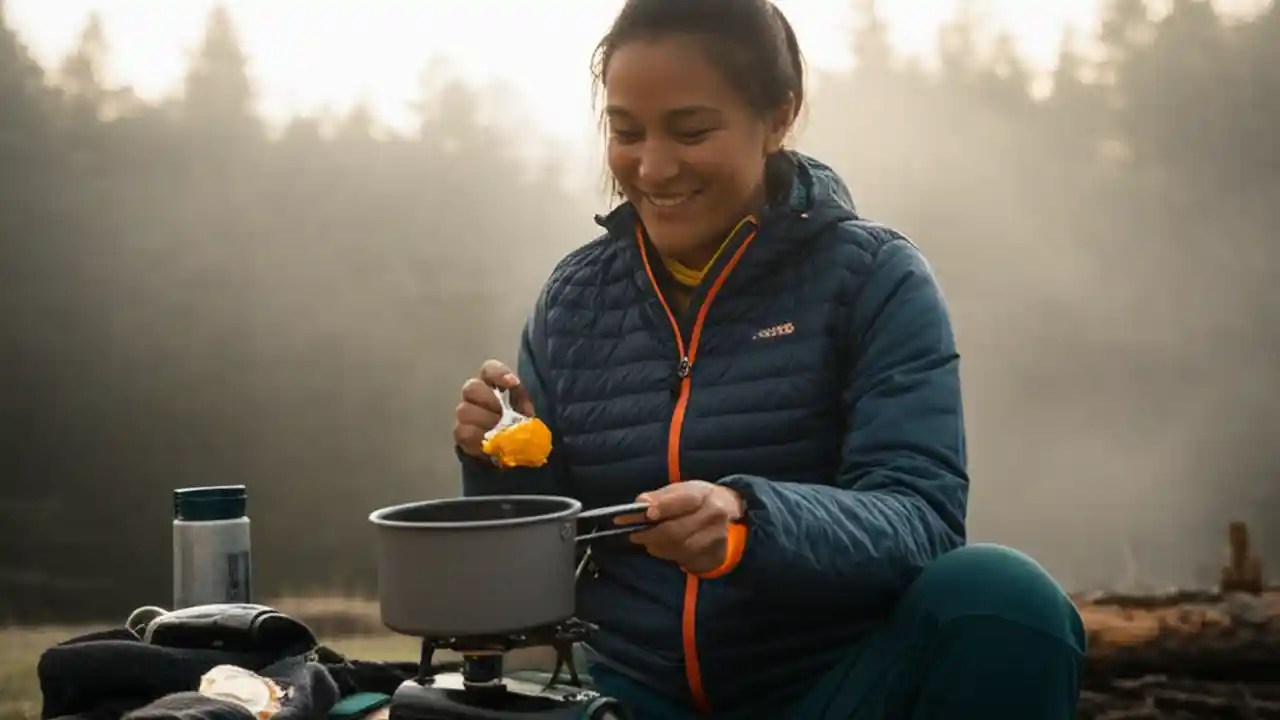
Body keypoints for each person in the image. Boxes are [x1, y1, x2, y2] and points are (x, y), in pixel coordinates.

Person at [451, 0, 1086, 717]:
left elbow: (921, 520)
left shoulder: (874, 280)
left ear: (779, 117)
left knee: (1005, 598)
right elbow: (538, 566)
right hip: (631, 698)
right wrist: (503, 459)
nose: (652, 167)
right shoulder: (575, 300)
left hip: (832, 691)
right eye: (626, 132)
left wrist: (750, 522)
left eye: (691, 131)